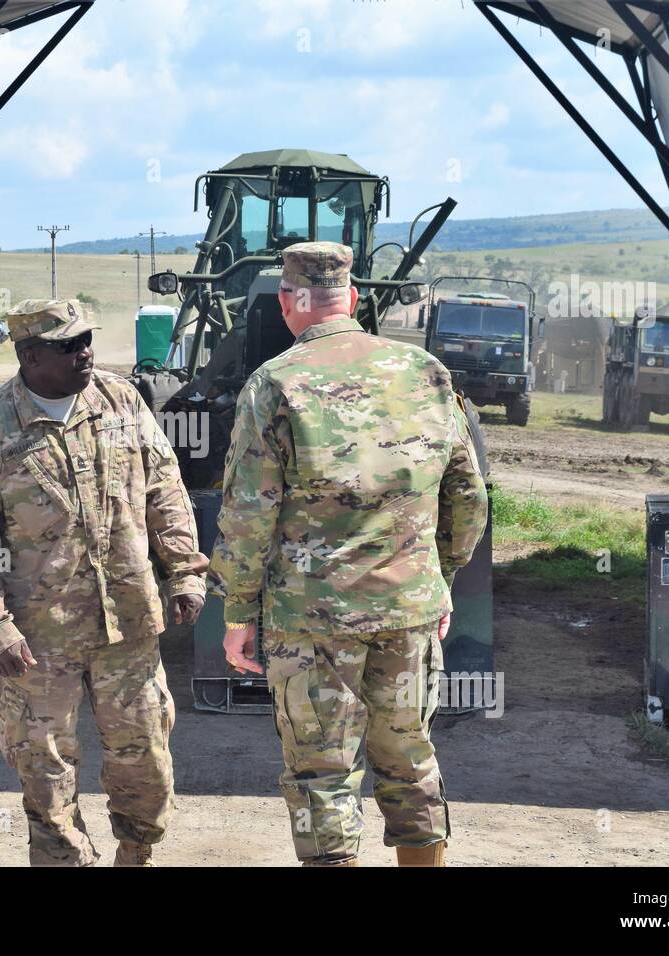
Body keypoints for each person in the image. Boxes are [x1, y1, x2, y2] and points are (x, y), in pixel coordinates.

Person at [209, 242, 488, 867]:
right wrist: (436, 579)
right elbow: (467, 495)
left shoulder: (274, 384)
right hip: (408, 609)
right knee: (410, 758)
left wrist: (237, 613)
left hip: (311, 621)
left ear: (288, 303)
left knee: (322, 774)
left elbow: (249, 513)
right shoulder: (426, 373)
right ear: (355, 298)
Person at [0, 298, 207, 866]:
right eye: (68, 345)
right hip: (38, 639)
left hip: (128, 621)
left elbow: (164, 488)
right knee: (44, 769)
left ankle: (136, 853)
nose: (85, 353)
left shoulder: (121, 401)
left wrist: (185, 569)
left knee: (146, 762)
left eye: (87, 339)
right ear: (30, 355)